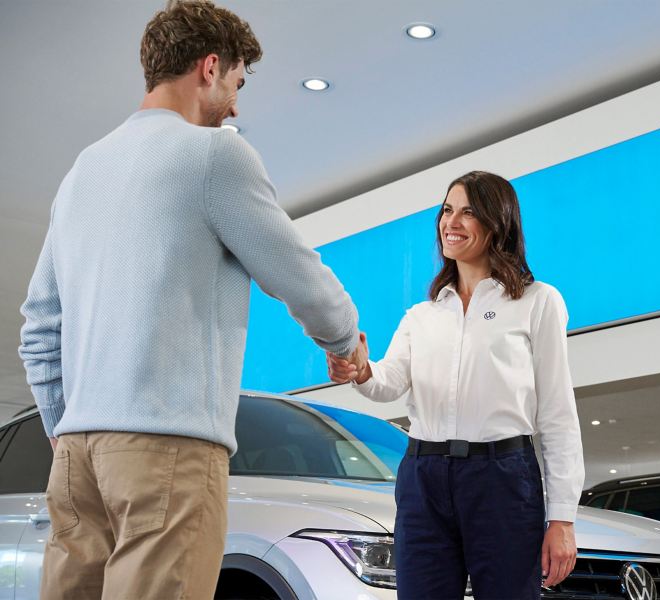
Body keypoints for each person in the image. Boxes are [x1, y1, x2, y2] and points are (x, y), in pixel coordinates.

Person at [18, 2, 366, 599]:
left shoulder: (82, 172)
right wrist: (344, 341)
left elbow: (38, 331)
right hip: (168, 456)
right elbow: (296, 271)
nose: (235, 104)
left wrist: (66, 428)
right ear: (209, 67)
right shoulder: (215, 155)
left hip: (76, 460)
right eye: (236, 82)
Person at [327, 171, 584, 599]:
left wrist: (562, 519)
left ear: (498, 222)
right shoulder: (422, 315)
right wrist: (361, 370)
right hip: (423, 480)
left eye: (468, 212)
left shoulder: (537, 302)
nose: (452, 222)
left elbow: (558, 416)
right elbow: (389, 383)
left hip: (503, 479)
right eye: (447, 210)